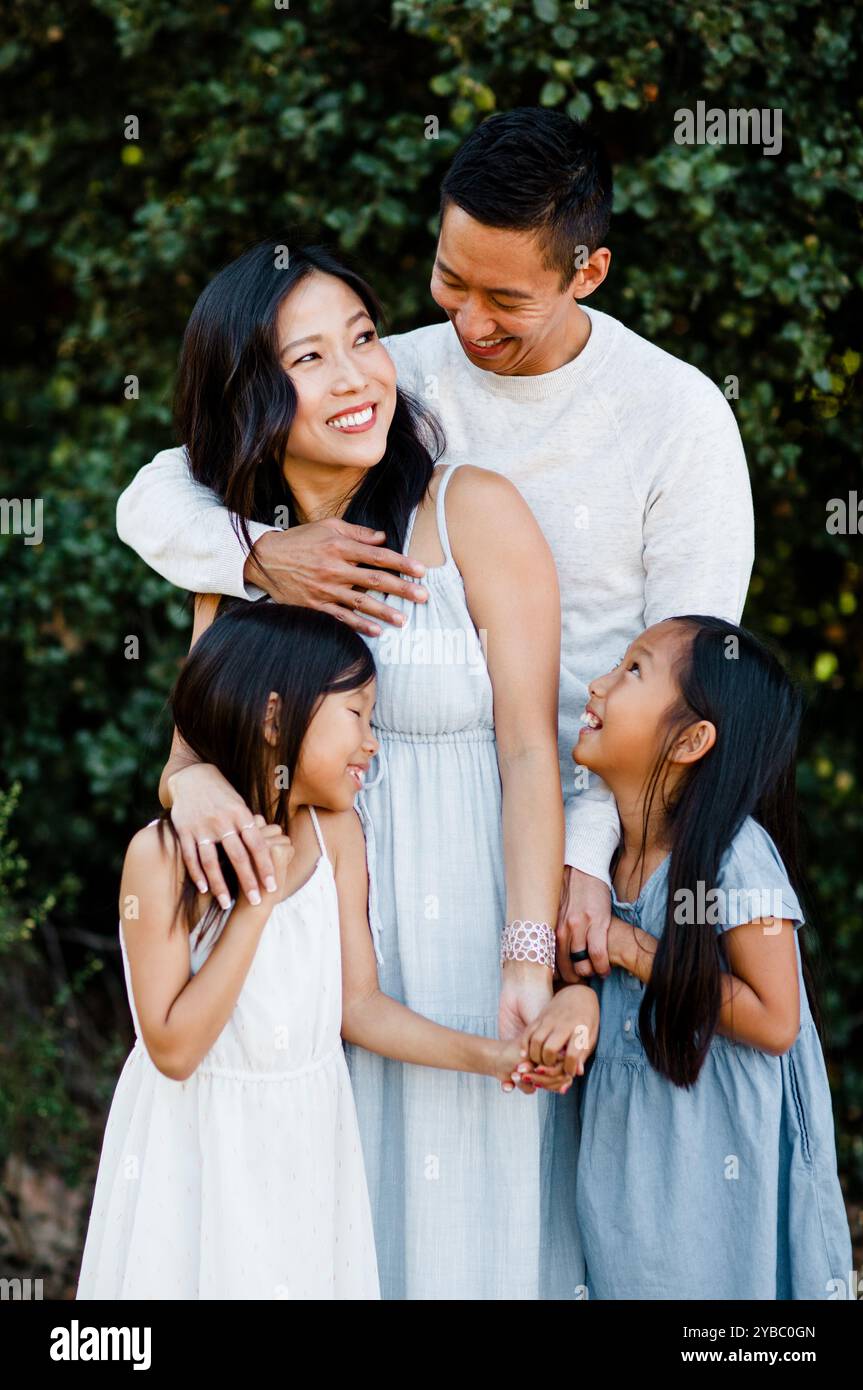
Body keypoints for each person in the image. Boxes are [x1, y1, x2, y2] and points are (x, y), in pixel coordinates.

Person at [115, 107, 755, 994]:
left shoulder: (677, 418)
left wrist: (589, 854)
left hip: (608, 853)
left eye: (506, 301)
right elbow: (155, 492)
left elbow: (694, 673)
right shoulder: (389, 377)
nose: (470, 322)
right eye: (451, 280)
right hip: (388, 840)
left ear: (589, 274)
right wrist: (263, 556)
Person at [115, 236, 588, 1301]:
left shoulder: (469, 511)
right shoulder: (246, 551)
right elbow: (200, 746)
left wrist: (524, 955)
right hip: (316, 950)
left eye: (364, 340)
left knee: (478, 1226)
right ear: (252, 392)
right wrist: (186, 782)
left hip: (471, 914)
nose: (355, 376)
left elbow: (527, 747)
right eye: (309, 358)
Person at [75, 601, 561, 1301]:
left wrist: (491, 1057)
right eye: (357, 715)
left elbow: (357, 1006)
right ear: (276, 717)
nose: (372, 742)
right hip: (200, 1151)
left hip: (306, 1142)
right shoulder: (162, 858)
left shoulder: (335, 835)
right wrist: (255, 909)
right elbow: (174, 1049)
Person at [523, 615, 854, 1299]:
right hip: (631, 1156)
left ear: (691, 739)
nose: (599, 684)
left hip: (717, 1153)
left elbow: (774, 1019)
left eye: (633, 671)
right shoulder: (599, 865)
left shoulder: (734, 856)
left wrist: (631, 948)